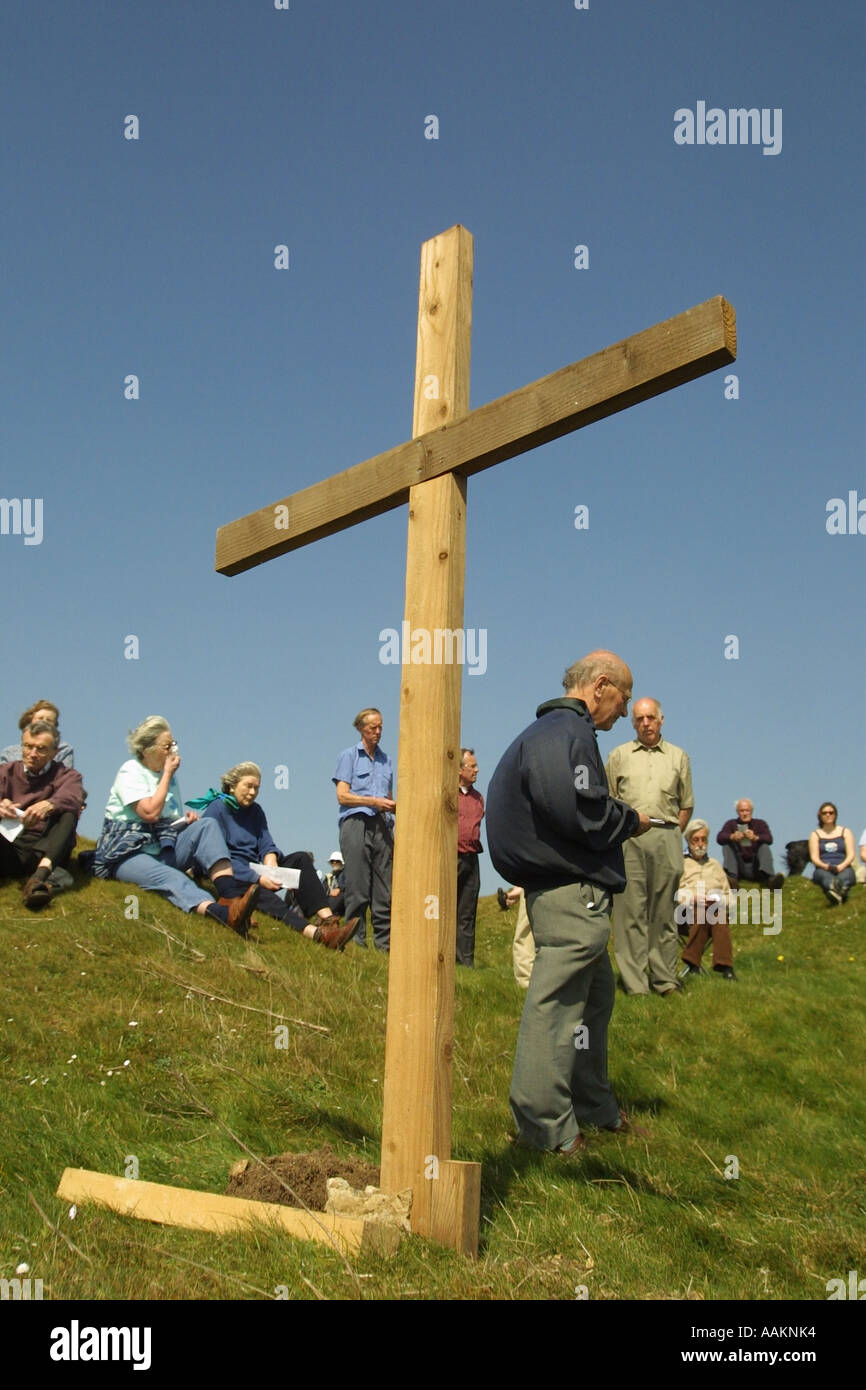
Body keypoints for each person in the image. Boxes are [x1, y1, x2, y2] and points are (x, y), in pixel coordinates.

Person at [486, 650, 651, 1155]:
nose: (622, 714)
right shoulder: (569, 732)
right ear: (600, 685)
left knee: (595, 998)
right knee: (557, 1005)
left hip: (564, 890)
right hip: (569, 894)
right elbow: (576, 808)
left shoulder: (548, 733)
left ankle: (593, 1106)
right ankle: (544, 1127)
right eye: (623, 700)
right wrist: (630, 820)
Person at [93, 717, 258, 935]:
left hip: (160, 846)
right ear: (148, 749)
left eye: (174, 743)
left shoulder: (168, 778)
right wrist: (168, 773)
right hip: (128, 853)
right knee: (172, 878)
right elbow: (150, 812)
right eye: (167, 746)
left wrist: (184, 821)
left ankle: (231, 898)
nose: (173, 750)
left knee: (207, 825)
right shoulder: (130, 771)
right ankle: (223, 915)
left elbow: (166, 821)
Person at [200, 764, 357, 950]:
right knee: (263, 894)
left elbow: (266, 841)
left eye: (256, 788)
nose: (252, 792)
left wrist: (270, 858)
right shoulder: (217, 809)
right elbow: (215, 854)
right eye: (248, 786)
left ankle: (329, 920)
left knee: (301, 859)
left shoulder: (256, 811)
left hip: (258, 868)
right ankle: (316, 934)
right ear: (232, 785)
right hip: (233, 871)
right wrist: (258, 878)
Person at [605, 697, 693, 997]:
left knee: (664, 913)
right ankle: (635, 985)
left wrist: (672, 832)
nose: (646, 724)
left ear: (661, 719)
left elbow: (686, 805)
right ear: (633, 723)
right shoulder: (619, 755)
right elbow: (609, 801)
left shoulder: (678, 757)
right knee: (629, 913)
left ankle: (665, 981)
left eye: (651, 717)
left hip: (666, 837)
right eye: (639, 719)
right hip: (629, 839)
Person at [0, 720, 84, 909]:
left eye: (41, 749)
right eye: (28, 746)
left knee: (68, 814)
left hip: (45, 848)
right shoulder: (6, 772)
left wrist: (50, 804)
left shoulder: (67, 776)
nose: (32, 754)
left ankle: (39, 879)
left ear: (54, 752)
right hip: (11, 846)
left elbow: (73, 797)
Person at [333, 708, 395, 951]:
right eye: (372, 728)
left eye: (380, 727)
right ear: (361, 728)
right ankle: (356, 942)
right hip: (355, 822)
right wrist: (373, 802)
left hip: (383, 825)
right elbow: (342, 796)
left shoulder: (387, 760)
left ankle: (384, 946)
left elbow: (388, 799)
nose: (378, 732)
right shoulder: (348, 756)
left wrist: (393, 812)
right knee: (358, 886)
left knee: (385, 890)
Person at [676, 819, 736, 980]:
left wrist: (720, 900)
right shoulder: (680, 864)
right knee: (707, 910)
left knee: (717, 912)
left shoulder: (715, 865)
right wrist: (693, 898)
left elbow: (730, 896)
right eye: (696, 840)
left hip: (713, 912)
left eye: (704, 839)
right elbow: (674, 893)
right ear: (688, 841)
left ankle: (707, 965)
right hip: (685, 914)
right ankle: (722, 967)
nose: (700, 844)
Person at [716, 799, 784, 890]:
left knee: (764, 846)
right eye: (742, 811)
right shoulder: (731, 824)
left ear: (751, 811)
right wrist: (732, 836)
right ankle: (732, 879)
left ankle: (770, 879)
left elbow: (769, 839)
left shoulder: (760, 824)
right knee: (727, 845)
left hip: (756, 867)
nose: (745, 813)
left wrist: (755, 838)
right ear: (737, 812)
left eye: (747, 810)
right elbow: (720, 837)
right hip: (739, 867)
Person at [456, 747, 484, 967]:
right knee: (446, 909)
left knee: (468, 912)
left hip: (472, 858)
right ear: (459, 770)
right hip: (451, 857)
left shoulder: (478, 797)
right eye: (472, 766)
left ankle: (467, 962)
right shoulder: (447, 793)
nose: (477, 770)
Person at [1, 699, 75, 769]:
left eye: (49, 720)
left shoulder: (64, 750)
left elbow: (64, 777)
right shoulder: (9, 753)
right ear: (30, 721)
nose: (44, 722)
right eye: (40, 718)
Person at [809, 803, 856, 906]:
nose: (828, 815)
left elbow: (851, 854)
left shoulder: (845, 831)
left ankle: (836, 893)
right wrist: (826, 866)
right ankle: (838, 891)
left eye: (831, 812)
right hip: (823, 868)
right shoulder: (815, 834)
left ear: (835, 815)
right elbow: (814, 858)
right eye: (824, 813)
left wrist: (841, 866)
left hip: (843, 867)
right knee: (824, 877)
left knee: (847, 876)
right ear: (820, 816)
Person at [322, 850, 346, 916]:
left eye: (337, 861)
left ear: (342, 862)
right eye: (332, 861)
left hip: (342, 900)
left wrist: (340, 889)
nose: (335, 862)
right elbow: (323, 889)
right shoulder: (329, 876)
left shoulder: (346, 873)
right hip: (330, 899)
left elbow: (350, 885)